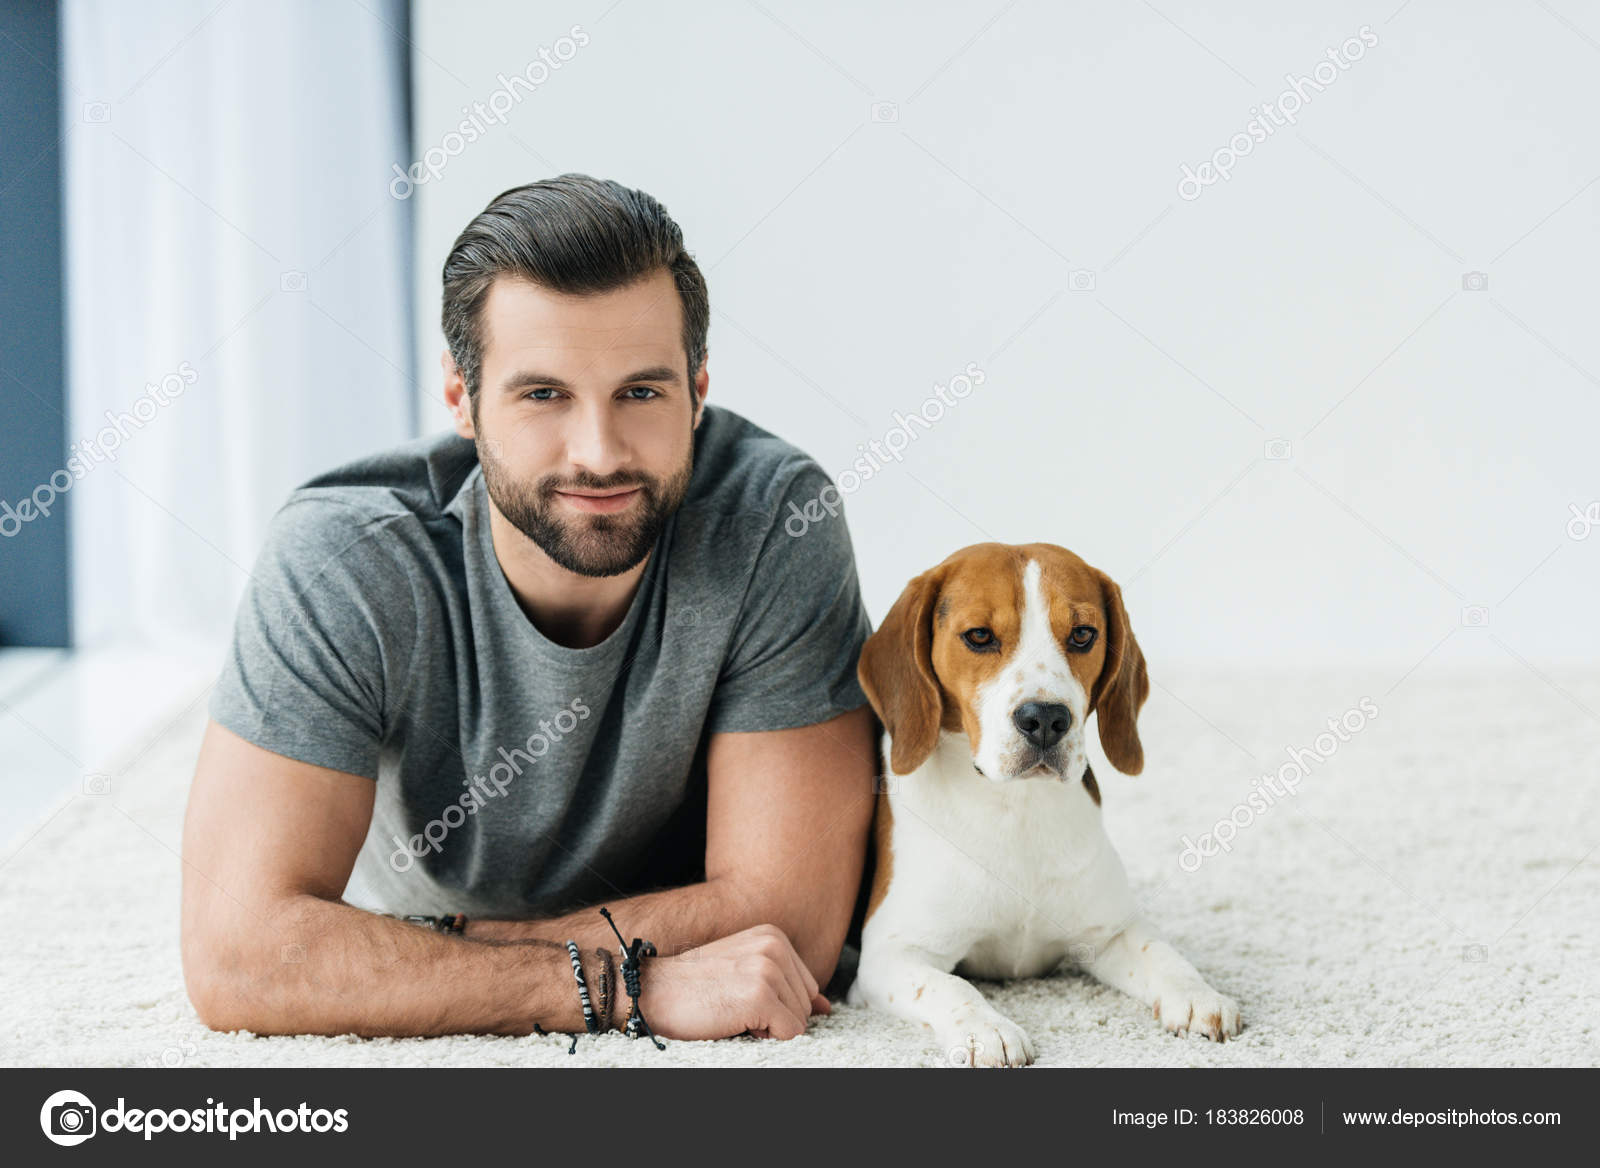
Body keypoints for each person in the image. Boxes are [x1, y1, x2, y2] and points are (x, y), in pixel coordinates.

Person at [180, 174, 879, 1044]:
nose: (600, 451)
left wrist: (414, 958)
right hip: (525, 912)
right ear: (459, 399)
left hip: (447, 921)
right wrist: (623, 987)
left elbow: (791, 923)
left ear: (698, 392)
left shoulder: (774, 519)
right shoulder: (344, 561)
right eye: (543, 394)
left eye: (642, 392)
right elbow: (238, 955)